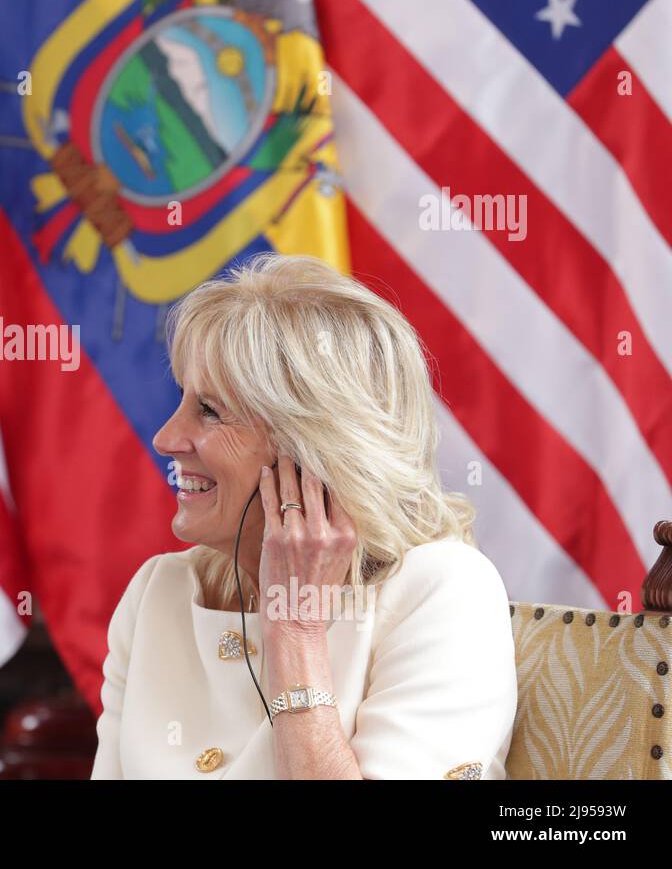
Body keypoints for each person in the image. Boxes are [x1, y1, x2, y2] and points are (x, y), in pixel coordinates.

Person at [91, 252, 517, 779]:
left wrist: (294, 629)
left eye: (210, 410)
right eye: (183, 398)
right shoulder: (159, 592)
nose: (166, 438)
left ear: (315, 448)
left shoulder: (441, 591)